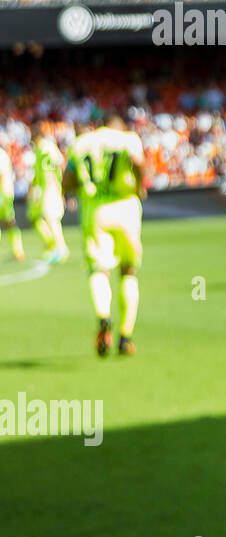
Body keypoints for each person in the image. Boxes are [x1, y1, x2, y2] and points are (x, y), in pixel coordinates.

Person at [63, 114, 146, 356]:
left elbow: (67, 181)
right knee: (129, 270)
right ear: (119, 126)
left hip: (95, 211)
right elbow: (138, 162)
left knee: (99, 269)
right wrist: (140, 185)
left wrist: (81, 189)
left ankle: (103, 316)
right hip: (126, 208)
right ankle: (125, 336)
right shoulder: (127, 139)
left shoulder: (82, 143)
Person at [27, 121, 69, 263]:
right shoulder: (39, 149)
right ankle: (54, 246)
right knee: (41, 217)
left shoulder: (46, 147)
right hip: (44, 188)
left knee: (51, 217)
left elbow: (60, 163)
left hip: (52, 187)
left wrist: (63, 186)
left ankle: (61, 248)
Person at [0, 143, 24, 262]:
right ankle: (17, 250)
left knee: (9, 222)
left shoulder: (1, 155)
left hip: (3, 194)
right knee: (9, 222)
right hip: (5, 193)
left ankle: (18, 251)